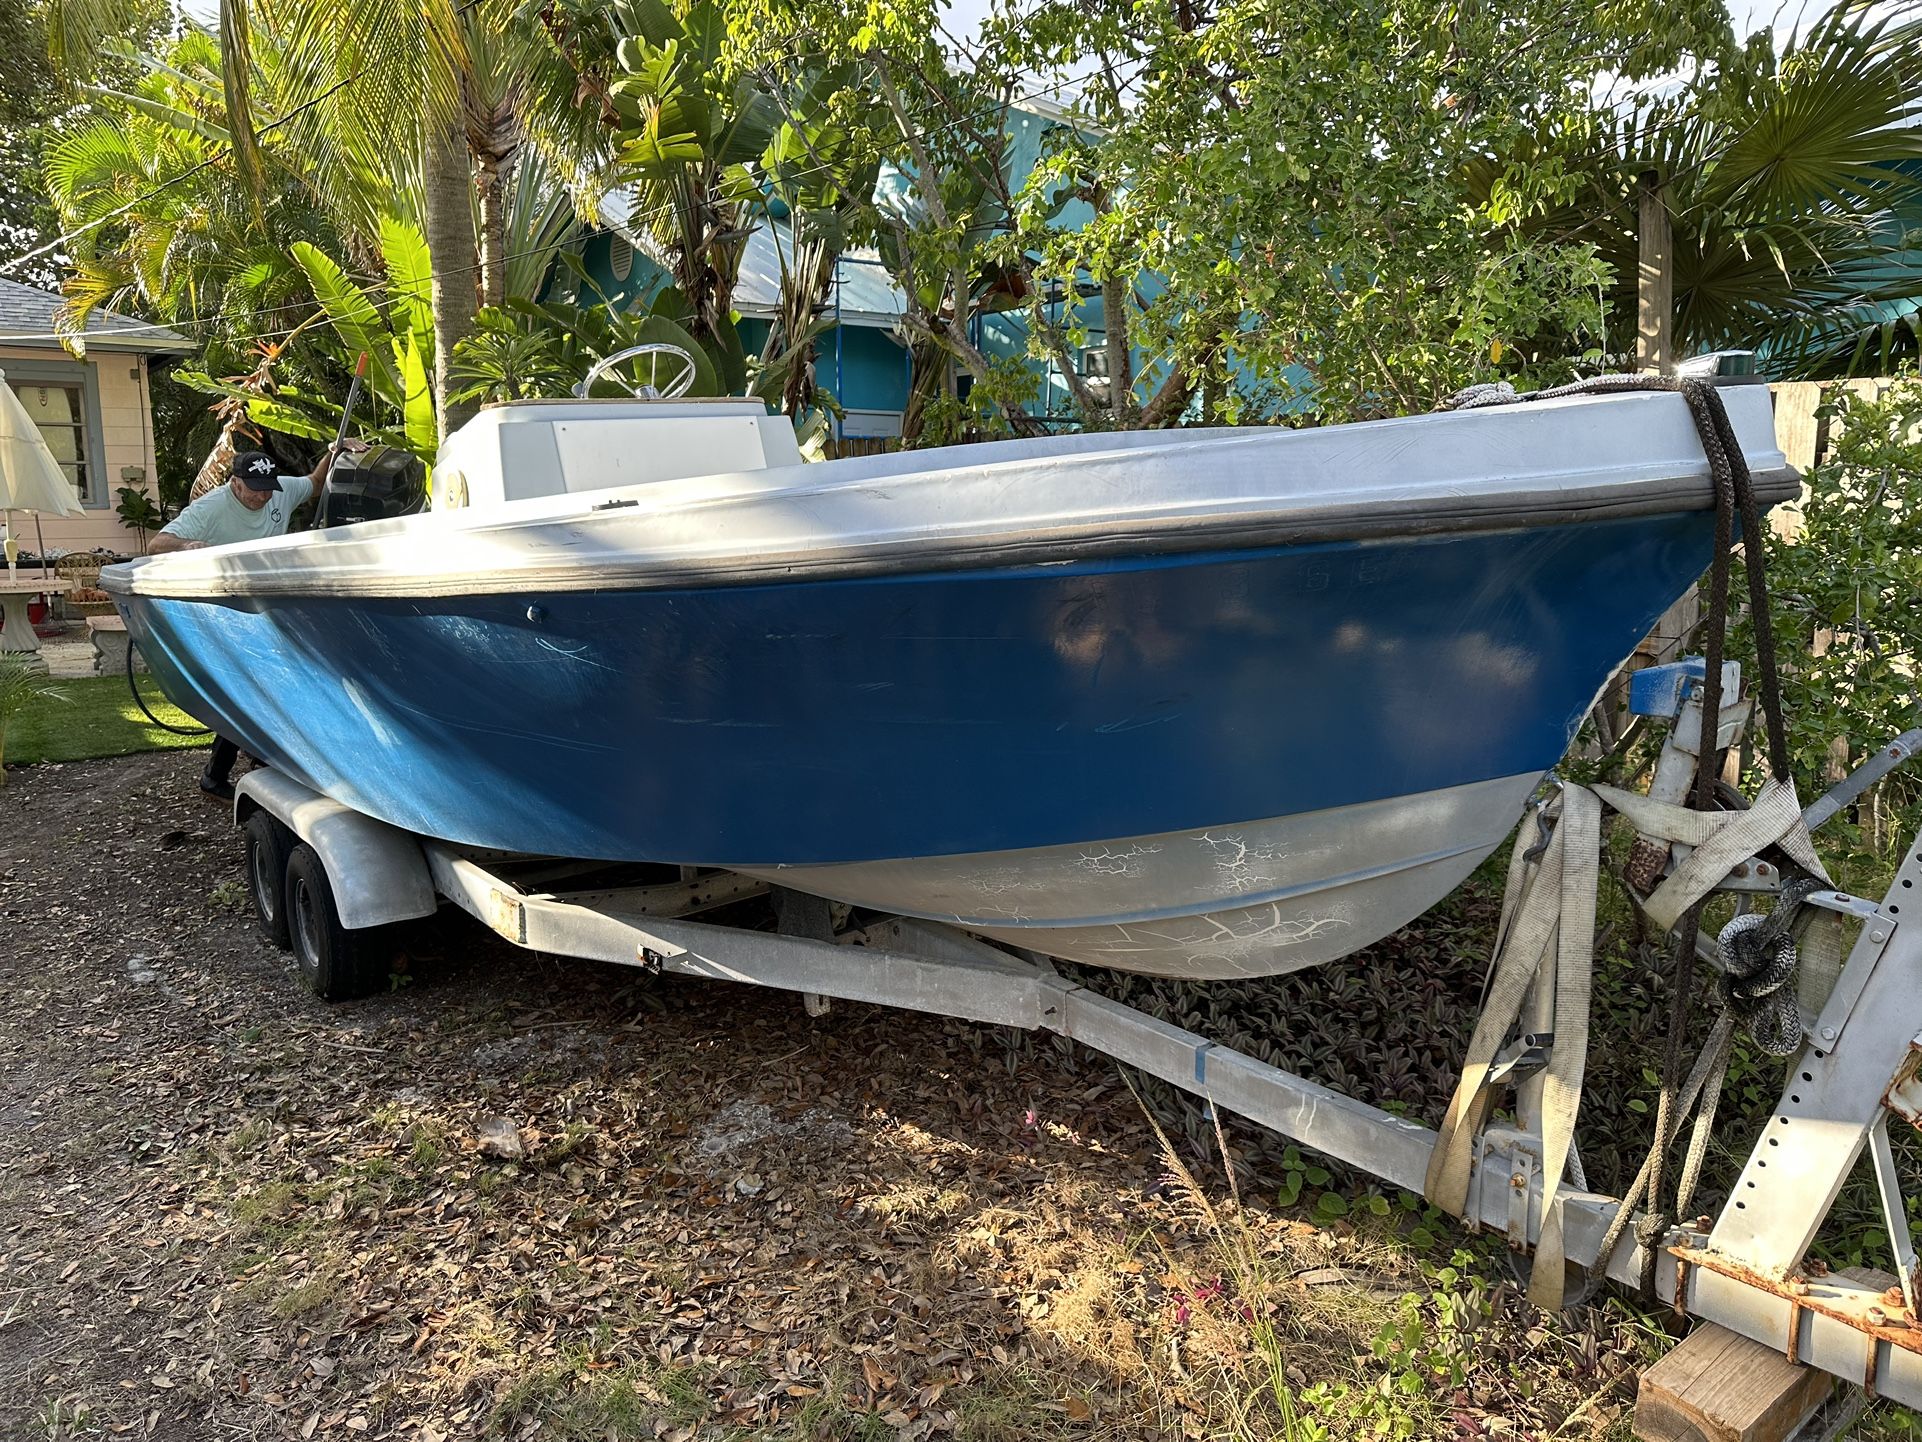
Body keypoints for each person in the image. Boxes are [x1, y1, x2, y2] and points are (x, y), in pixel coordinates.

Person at [153, 444, 356, 799]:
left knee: (274, 690)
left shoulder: (279, 492)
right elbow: (157, 544)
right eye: (254, 487)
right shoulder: (211, 507)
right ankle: (216, 776)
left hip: (270, 607)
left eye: (268, 487)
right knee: (244, 694)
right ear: (235, 483)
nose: (263, 495)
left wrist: (334, 452)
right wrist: (189, 547)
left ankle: (262, 764)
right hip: (227, 611)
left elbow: (315, 481)